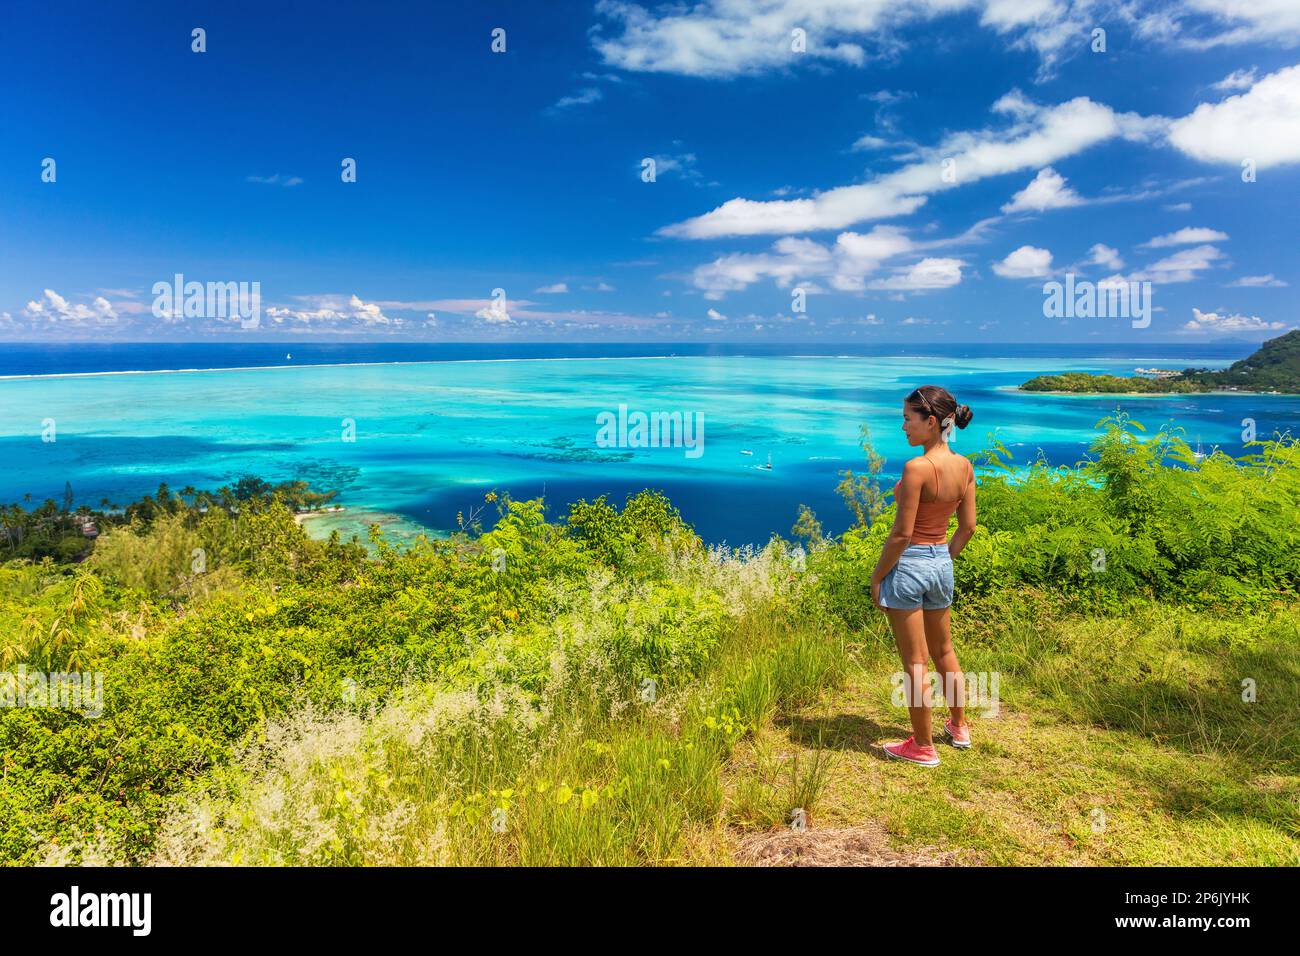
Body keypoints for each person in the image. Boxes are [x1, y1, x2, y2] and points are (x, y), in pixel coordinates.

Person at [871, 385, 977, 766]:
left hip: (911, 563)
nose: (903, 426)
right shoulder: (964, 467)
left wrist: (878, 576)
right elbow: (968, 528)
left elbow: (901, 534)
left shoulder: (916, 469)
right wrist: (941, 559)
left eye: (907, 418)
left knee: (915, 662)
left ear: (931, 422)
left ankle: (922, 745)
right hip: (940, 564)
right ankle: (959, 726)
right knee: (944, 650)